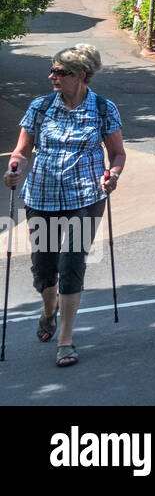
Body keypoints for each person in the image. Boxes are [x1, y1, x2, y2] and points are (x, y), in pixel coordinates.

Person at [3, 45, 124, 367]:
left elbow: (118, 153)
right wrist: (14, 168)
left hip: (85, 198)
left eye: (60, 72)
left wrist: (112, 174)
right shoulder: (40, 107)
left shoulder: (102, 108)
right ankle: (48, 309)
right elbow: (21, 151)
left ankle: (65, 340)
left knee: (72, 264)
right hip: (41, 197)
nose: (52, 77)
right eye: (52, 71)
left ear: (81, 75)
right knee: (44, 267)